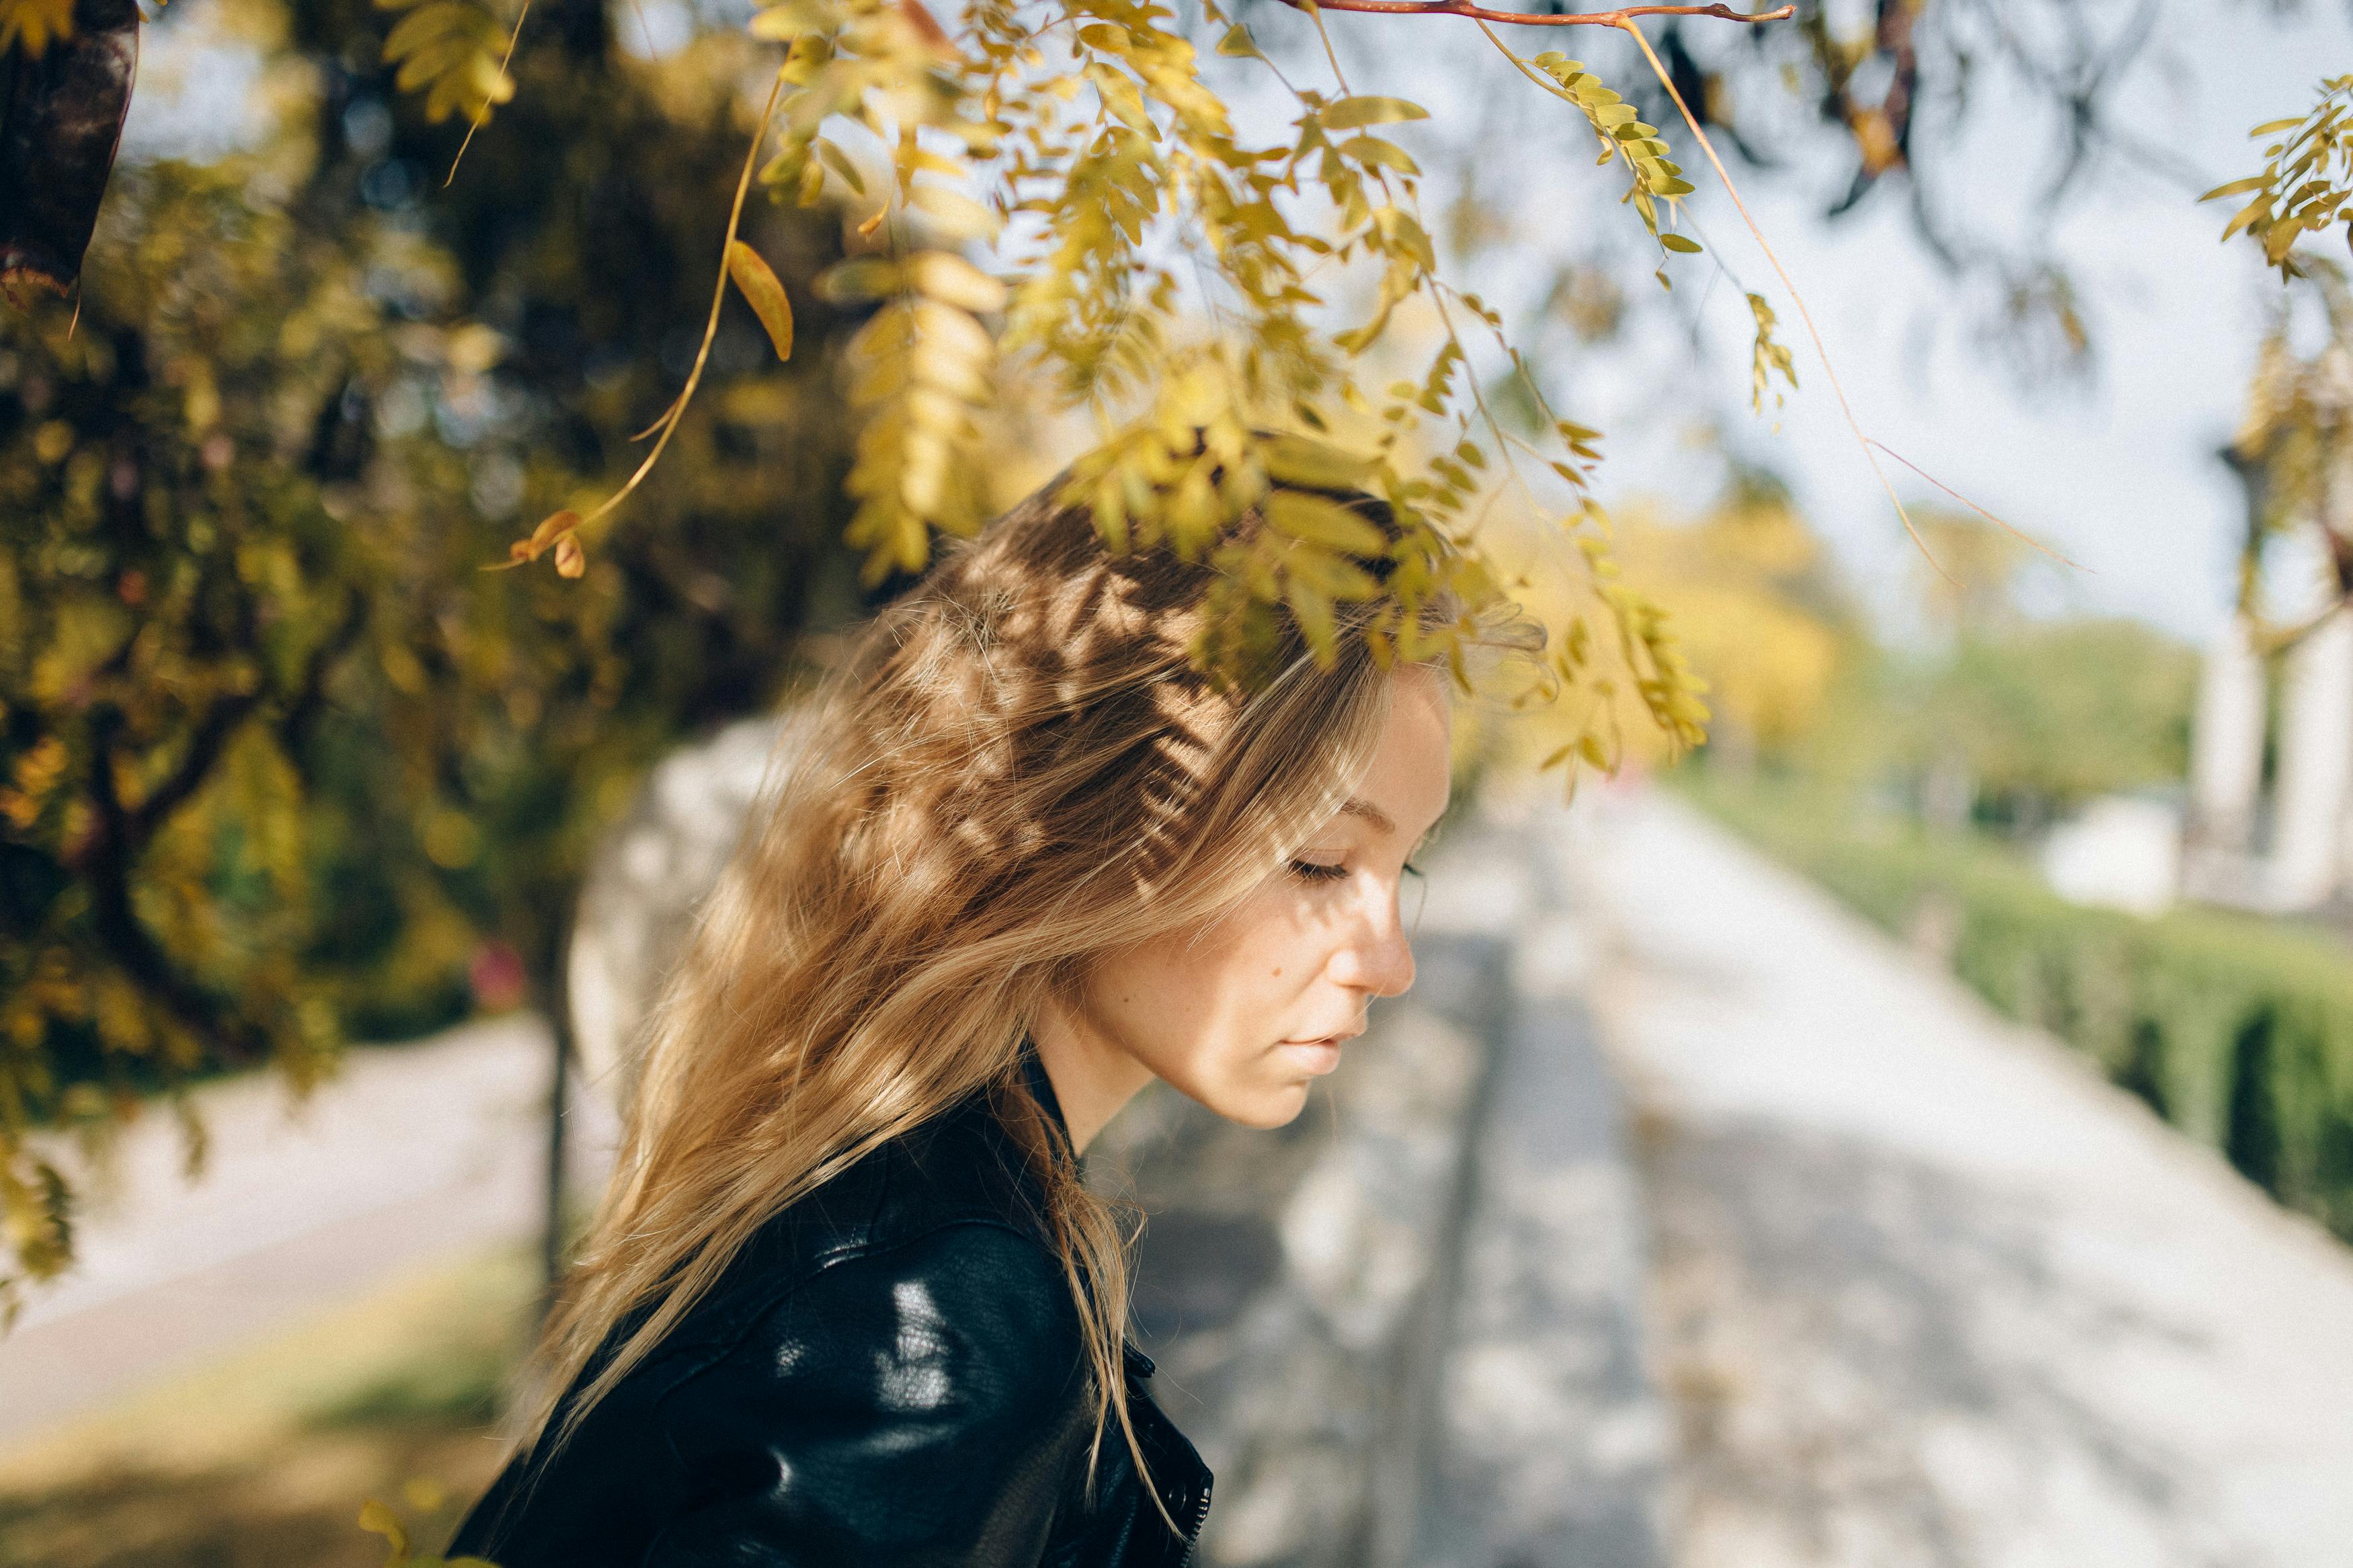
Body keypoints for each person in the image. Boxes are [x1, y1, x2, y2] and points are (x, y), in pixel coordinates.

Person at [446, 466, 1492, 1566]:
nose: (1392, 961)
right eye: (1321, 858)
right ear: (1090, 808)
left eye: (1401, 865)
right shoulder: (936, 1321)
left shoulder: (868, 1193)